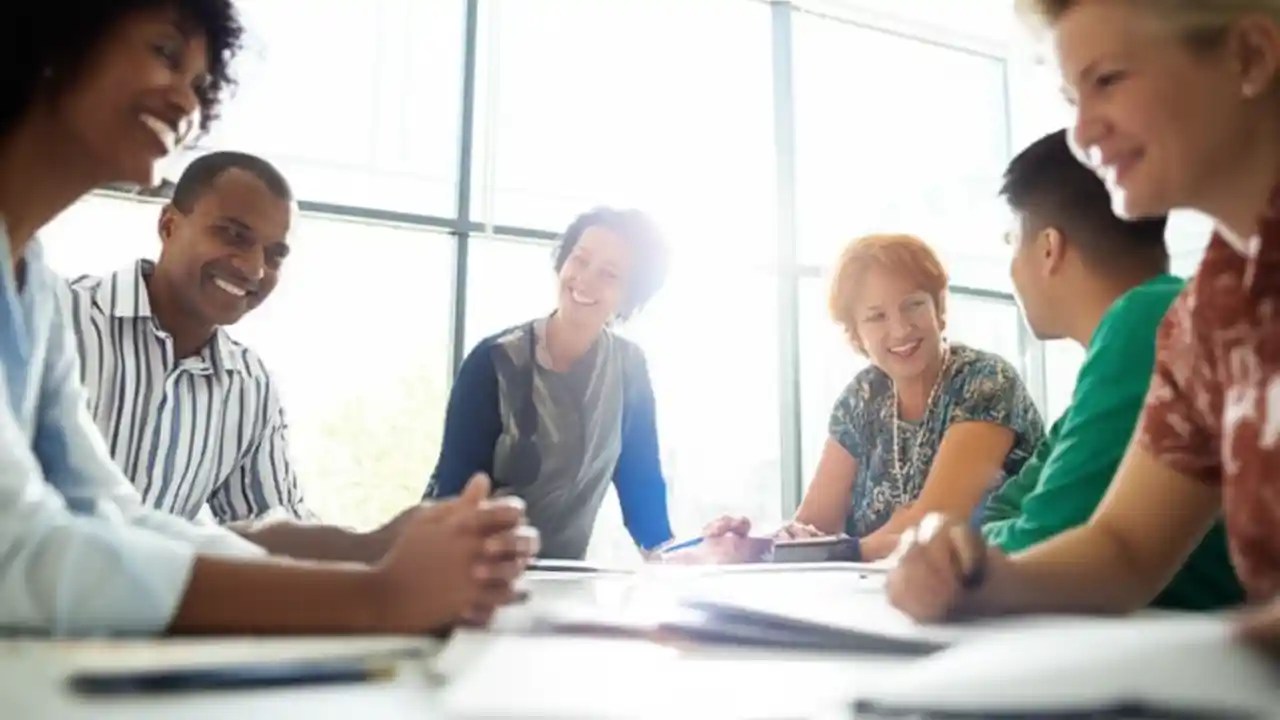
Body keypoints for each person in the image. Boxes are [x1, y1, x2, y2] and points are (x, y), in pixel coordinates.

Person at [0, 0, 534, 635]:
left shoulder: (31, 284)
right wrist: (375, 598)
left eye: (200, 85)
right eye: (165, 54)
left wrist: (376, 558)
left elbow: (112, 514)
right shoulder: (73, 307)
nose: (186, 102)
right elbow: (16, 553)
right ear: (59, 36)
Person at [886, 0, 1280, 653]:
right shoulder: (1210, 312)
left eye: (1108, 81)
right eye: (1072, 97)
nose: (1084, 134)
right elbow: (1123, 548)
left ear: (1251, 56)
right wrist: (985, 579)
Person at [983, 128, 1242, 610]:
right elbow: (1000, 515)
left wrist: (959, 555)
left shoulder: (1148, 318)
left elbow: (1043, 540)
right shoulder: (1135, 338)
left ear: (1047, 249)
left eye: (1009, 242)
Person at [705, 234, 1044, 562]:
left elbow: (933, 526)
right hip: (879, 600)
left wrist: (845, 551)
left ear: (939, 308)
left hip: (991, 598)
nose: (900, 329)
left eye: (913, 305)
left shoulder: (985, 381)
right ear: (856, 334)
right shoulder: (862, 397)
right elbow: (813, 527)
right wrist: (752, 546)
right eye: (876, 316)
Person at [425, 207, 674, 560]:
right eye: (580, 259)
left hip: (561, 582)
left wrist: (671, 557)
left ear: (630, 295)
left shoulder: (629, 369)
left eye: (609, 274)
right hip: (470, 574)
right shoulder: (495, 361)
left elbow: (642, 486)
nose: (585, 280)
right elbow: (454, 492)